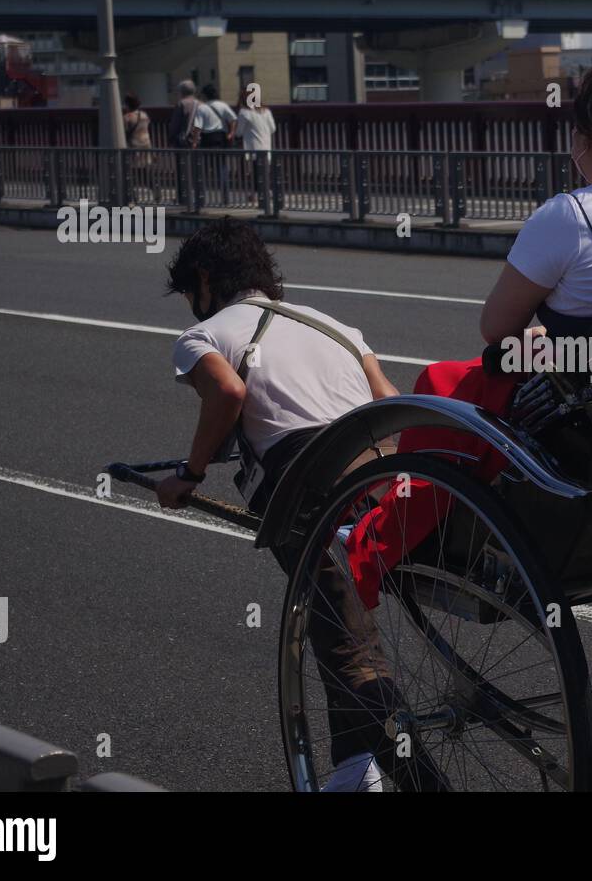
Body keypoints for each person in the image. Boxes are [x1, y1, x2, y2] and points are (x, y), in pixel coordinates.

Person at [342, 56, 592, 610]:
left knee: (447, 381)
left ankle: (410, 533)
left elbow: (496, 328)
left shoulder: (571, 215)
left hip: (586, 420)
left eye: (579, 132)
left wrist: (548, 340)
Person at [157, 218, 402, 791]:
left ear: (204, 280)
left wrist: (188, 475)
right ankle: (351, 765)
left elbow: (229, 393)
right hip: (386, 468)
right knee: (347, 614)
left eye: (191, 295)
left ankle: (387, 769)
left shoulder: (204, 335)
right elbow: (389, 397)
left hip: (308, 479)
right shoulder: (336, 325)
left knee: (342, 626)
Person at [234, 87, 276, 207]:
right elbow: (273, 128)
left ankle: (259, 194)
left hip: (253, 146)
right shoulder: (266, 111)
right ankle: (267, 191)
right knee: (265, 170)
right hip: (266, 145)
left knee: (257, 171)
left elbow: (239, 132)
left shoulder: (244, 112)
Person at [122, 93, 154, 204]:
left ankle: (133, 197)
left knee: (130, 174)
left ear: (127, 104)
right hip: (146, 145)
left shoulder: (126, 117)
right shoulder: (144, 115)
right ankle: (156, 192)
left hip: (133, 147)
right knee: (145, 172)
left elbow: (124, 132)